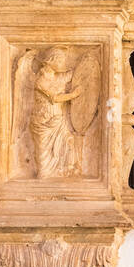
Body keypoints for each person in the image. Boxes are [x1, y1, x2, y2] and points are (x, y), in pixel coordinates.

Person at [30, 48, 82, 178]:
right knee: (44, 160)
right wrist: (73, 94)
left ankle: (64, 171)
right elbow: (55, 98)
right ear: (50, 61)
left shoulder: (57, 76)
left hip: (58, 120)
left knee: (69, 141)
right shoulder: (41, 81)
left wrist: (86, 62)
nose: (63, 63)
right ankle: (44, 179)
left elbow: (71, 74)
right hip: (44, 122)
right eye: (60, 60)